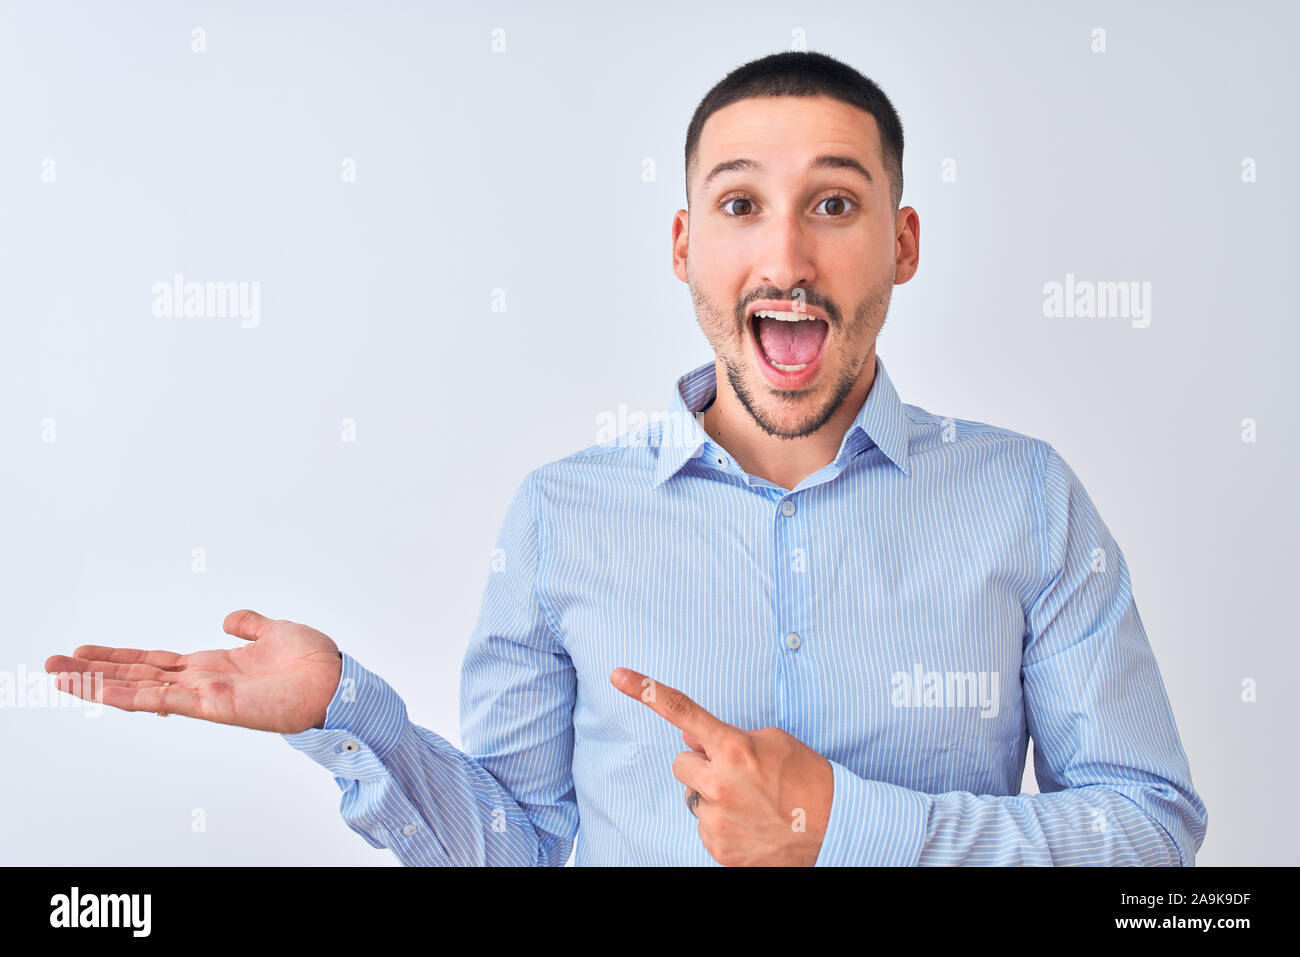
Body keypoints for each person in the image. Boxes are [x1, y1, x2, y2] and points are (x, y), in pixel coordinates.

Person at [45, 50, 1207, 866]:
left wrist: (842, 831)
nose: (786, 255)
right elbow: (526, 852)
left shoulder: (1023, 499)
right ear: (685, 244)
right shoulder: (562, 515)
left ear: (900, 244)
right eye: (741, 204)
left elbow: (1151, 832)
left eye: (836, 205)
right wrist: (348, 714)